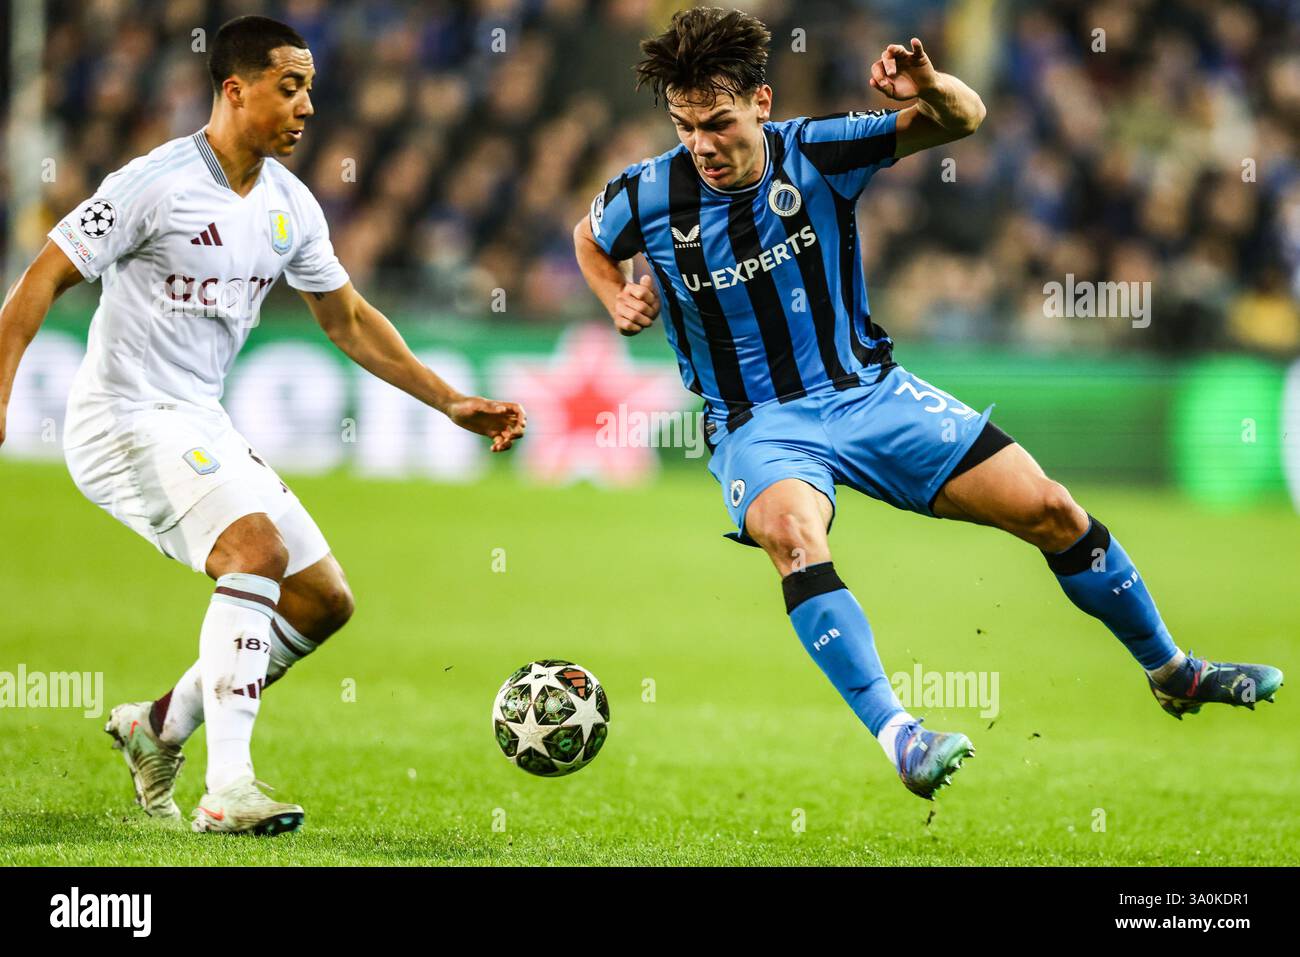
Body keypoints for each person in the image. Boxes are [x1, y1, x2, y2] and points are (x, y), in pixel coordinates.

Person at [572, 7, 1282, 800]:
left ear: (762, 103)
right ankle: (902, 736)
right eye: (684, 125)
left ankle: (1174, 670)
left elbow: (964, 120)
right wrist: (614, 296)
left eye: (718, 122)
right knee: (792, 536)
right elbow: (590, 237)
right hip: (758, 424)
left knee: (1051, 509)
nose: (701, 144)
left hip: (870, 394)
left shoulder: (816, 150)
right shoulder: (648, 191)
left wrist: (933, 88)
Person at [0, 15, 526, 833]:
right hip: (123, 420)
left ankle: (159, 725)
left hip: (197, 419)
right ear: (234, 89)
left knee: (321, 600)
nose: (308, 105)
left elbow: (347, 319)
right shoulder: (154, 183)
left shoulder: (290, 205)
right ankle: (228, 788)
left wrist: (450, 399)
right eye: (291, 86)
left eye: (310, 87)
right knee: (257, 553)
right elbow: (35, 286)